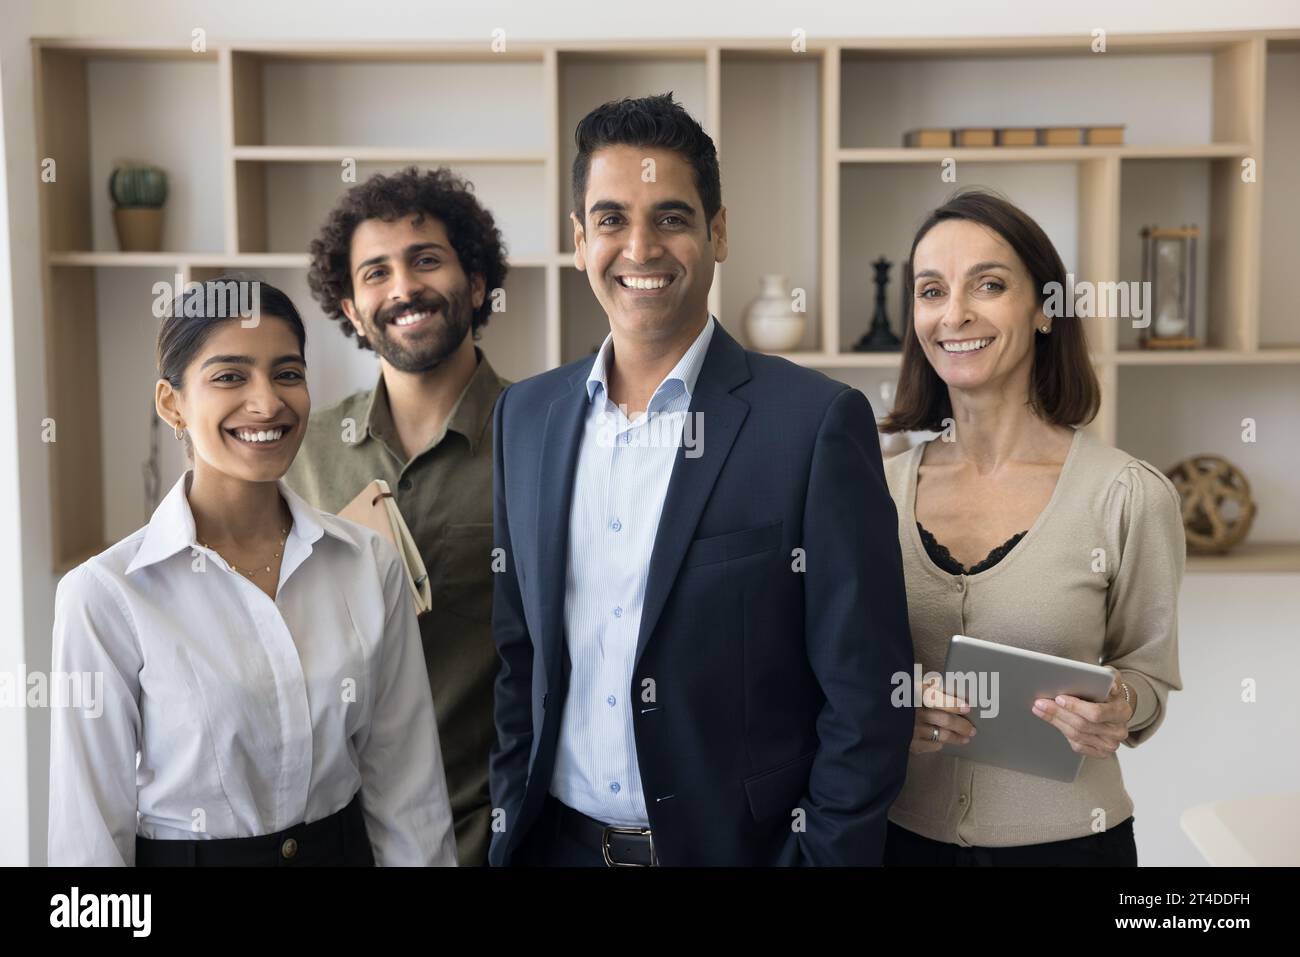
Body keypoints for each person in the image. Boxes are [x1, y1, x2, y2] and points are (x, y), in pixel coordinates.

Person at [488, 93, 913, 867]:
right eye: (611, 219)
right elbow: (520, 659)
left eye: (672, 217)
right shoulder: (525, 417)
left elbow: (868, 701)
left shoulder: (814, 425)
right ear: (579, 240)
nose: (640, 247)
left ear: (717, 232)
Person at [48, 277, 457, 866]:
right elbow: (86, 844)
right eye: (230, 376)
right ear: (172, 403)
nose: (267, 402)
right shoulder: (106, 595)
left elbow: (410, 800)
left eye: (287, 373)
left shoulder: (368, 564)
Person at [879, 189, 1184, 866]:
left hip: (1074, 848)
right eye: (931, 291)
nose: (954, 313)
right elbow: (828, 668)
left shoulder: (1128, 494)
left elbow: (1148, 676)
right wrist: (890, 705)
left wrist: (1120, 706)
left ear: (1046, 308)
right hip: (897, 844)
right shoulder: (874, 490)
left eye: (987, 285)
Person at [285, 167, 510, 865]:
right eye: (375, 272)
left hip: (494, 832)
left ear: (475, 283)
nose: (404, 288)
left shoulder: (544, 436)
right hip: (335, 831)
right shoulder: (300, 453)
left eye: (426, 260)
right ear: (351, 308)